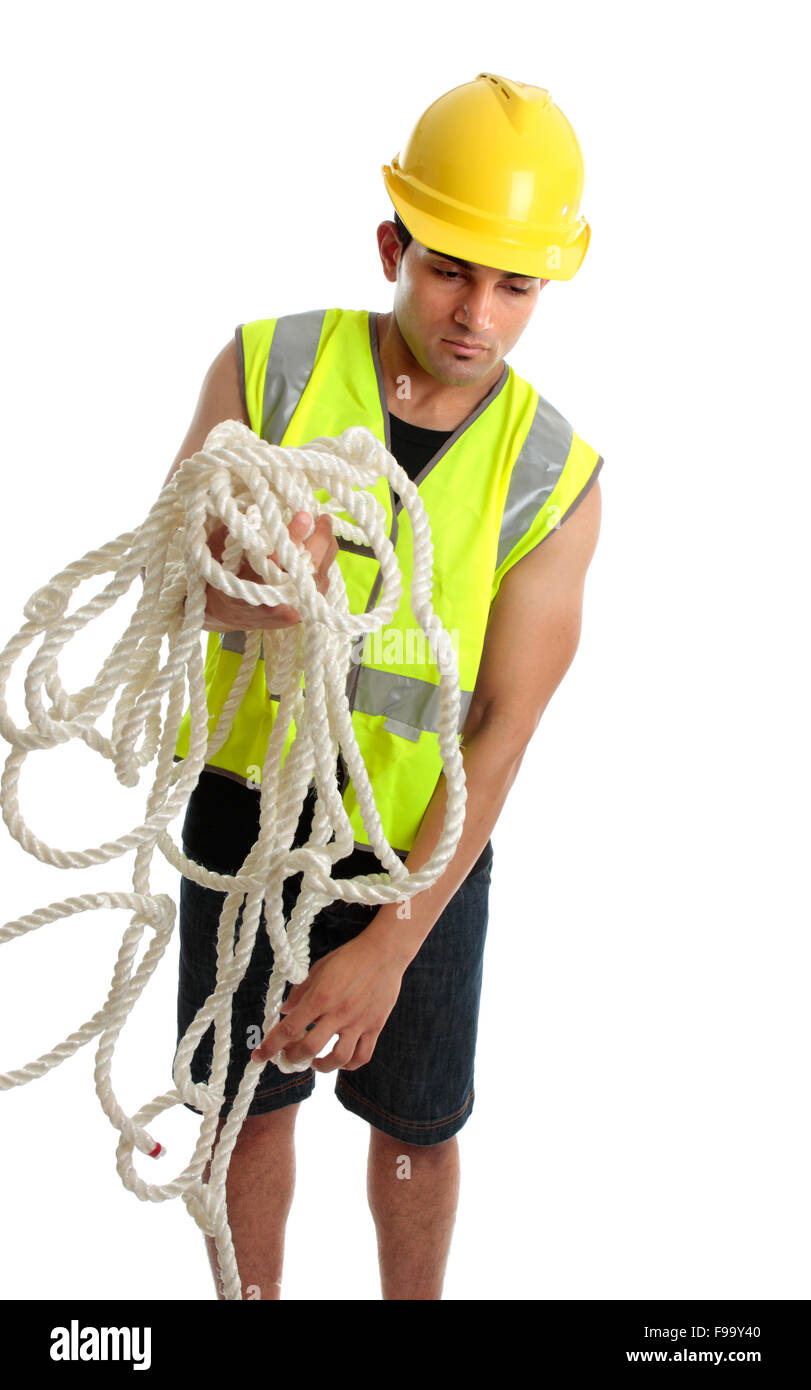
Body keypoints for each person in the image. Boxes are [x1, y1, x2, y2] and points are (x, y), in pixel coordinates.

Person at [164, 72, 604, 1300]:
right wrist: (261, 591)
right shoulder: (270, 370)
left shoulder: (551, 472)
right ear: (392, 245)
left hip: (422, 843)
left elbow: (506, 727)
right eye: (451, 267)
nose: (477, 312)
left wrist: (392, 949)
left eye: (515, 284)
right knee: (248, 1104)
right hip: (248, 820)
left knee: (415, 1128)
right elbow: (172, 583)